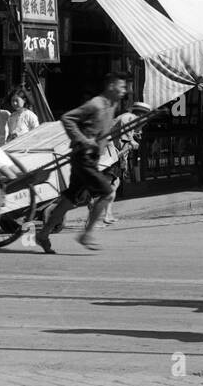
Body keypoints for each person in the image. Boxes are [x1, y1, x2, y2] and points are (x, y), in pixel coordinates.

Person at [35, 72, 128, 253]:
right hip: (83, 157)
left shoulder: (113, 105)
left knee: (70, 200)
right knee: (107, 193)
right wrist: (84, 140)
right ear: (111, 86)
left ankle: (43, 234)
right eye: (121, 86)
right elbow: (67, 119)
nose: (124, 91)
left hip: (91, 159)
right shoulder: (95, 104)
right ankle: (87, 234)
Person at [90, 100, 153, 227]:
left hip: (115, 155)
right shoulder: (128, 117)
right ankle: (92, 220)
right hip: (109, 154)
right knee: (105, 186)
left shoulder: (132, 120)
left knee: (114, 184)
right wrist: (132, 141)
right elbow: (125, 136)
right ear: (141, 114)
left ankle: (108, 214)